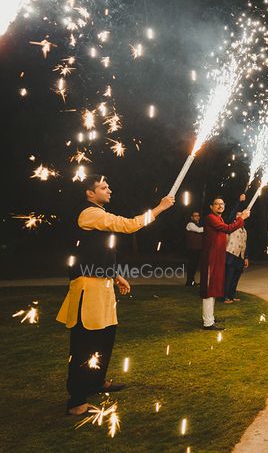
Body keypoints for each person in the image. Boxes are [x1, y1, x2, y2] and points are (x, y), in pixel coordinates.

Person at [57, 174, 174, 415]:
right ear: (90, 193)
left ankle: (96, 381)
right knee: (84, 343)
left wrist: (116, 274)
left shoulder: (98, 214)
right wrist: (160, 208)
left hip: (102, 287)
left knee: (105, 337)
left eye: (108, 185)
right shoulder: (89, 213)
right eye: (103, 187)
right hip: (87, 290)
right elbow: (129, 225)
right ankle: (77, 401)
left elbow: (99, 252)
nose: (109, 189)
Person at [199, 196, 249, 330]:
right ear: (211, 206)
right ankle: (207, 322)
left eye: (222, 204)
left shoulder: (219, 218)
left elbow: (227, 227)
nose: (220, 206)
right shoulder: (210, 218)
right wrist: (241, 218)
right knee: (209, 290)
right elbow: (228, 228)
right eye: (217, 204)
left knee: (214, 289)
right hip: (211, 259)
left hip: (217, 258)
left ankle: (210, 317)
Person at [224, 210, 248, 303]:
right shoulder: (231, 227)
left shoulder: (244, 230)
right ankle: (225, 297)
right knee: (228, 277)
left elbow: (245, 244)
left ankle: (232, 295)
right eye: (238, 215)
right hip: (231, 254)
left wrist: (246, 257)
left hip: (240, 256)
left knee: (236, 277)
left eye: (241, 215)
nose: (240, 216)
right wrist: (239, 201)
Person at [185, 211, 203, 287]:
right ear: (191, 217)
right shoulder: (190, 224)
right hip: (192, 249)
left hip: (198, 248)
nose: (197, 217)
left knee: (194, 266)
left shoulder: (198, 224)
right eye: (195, 215)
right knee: (191, 265)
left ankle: (192, 282)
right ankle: (189, 282)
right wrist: (209, 227)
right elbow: (199, 230)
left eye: (198, 215)